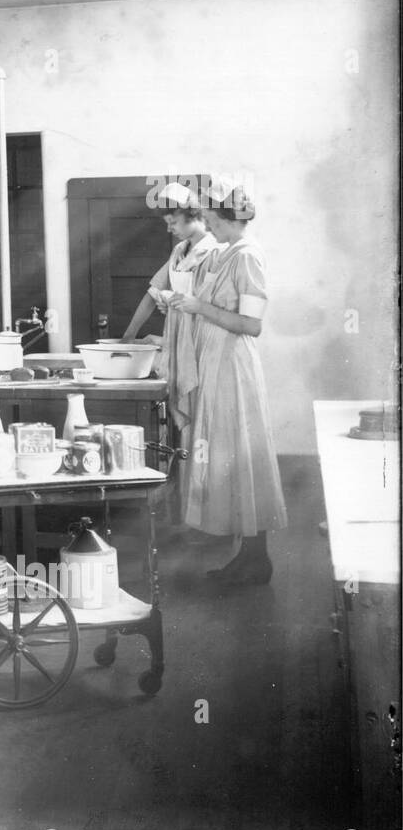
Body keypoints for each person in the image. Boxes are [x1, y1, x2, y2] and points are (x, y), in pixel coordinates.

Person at [167, 184, 287, 584]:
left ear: (228, 218)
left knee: (241, 456)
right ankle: (250, 558)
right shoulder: (224, 254)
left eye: (213, 219)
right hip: (217, 366)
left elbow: (252, 325)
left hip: (234, 369)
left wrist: (200, 307)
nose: (209, 225)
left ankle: (256, 559)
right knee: (228, 459)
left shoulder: (248, 256)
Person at [122, 182, 218, 430]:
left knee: (201, 411)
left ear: (192, 215)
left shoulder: (214, 251)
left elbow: (211, 305)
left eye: (173, 222)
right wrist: (128, 336)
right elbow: (152, 294)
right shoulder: (179, 250)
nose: (169, 228)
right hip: (179, 336)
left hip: (202, 341)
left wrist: (175, 305)